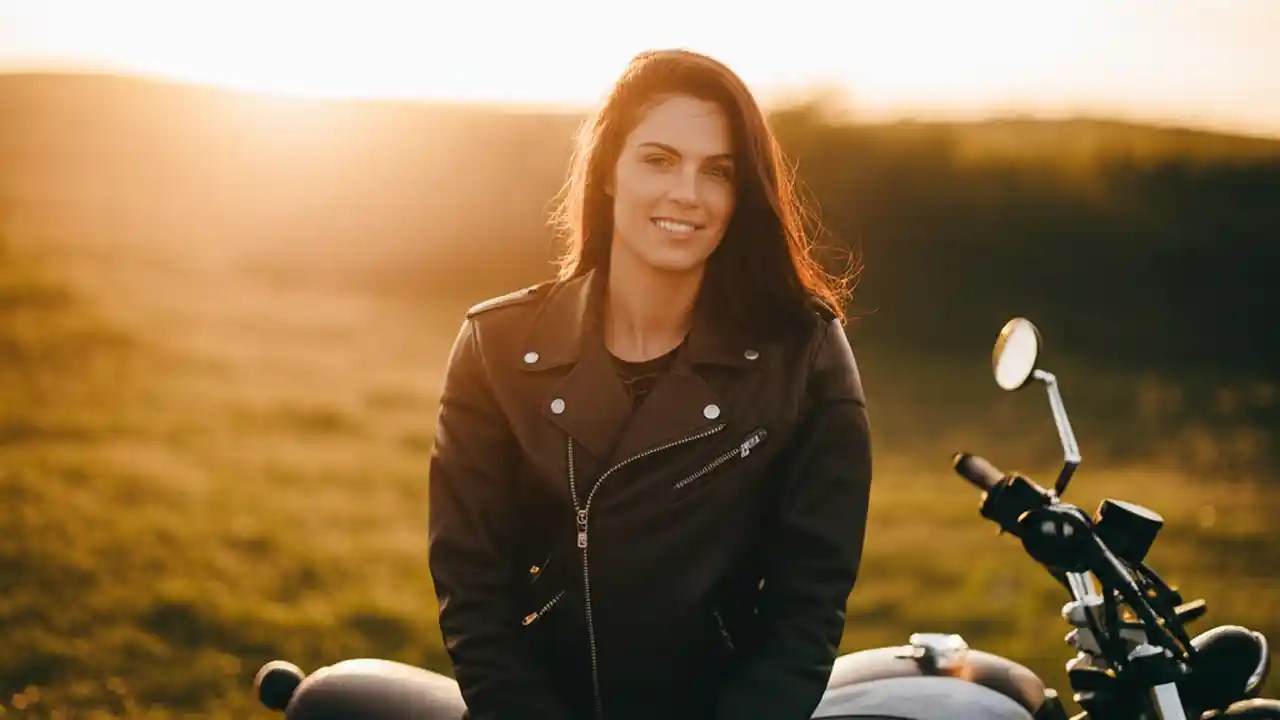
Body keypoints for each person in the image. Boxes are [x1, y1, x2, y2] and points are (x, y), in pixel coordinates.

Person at [428, 48, 872, 720]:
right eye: (659, 159)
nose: (686, 194)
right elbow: (473, 594)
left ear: (740, 194)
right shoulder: (496, 347)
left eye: (717, 172)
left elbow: (808, 610)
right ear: (609, 170)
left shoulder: (805, 352)